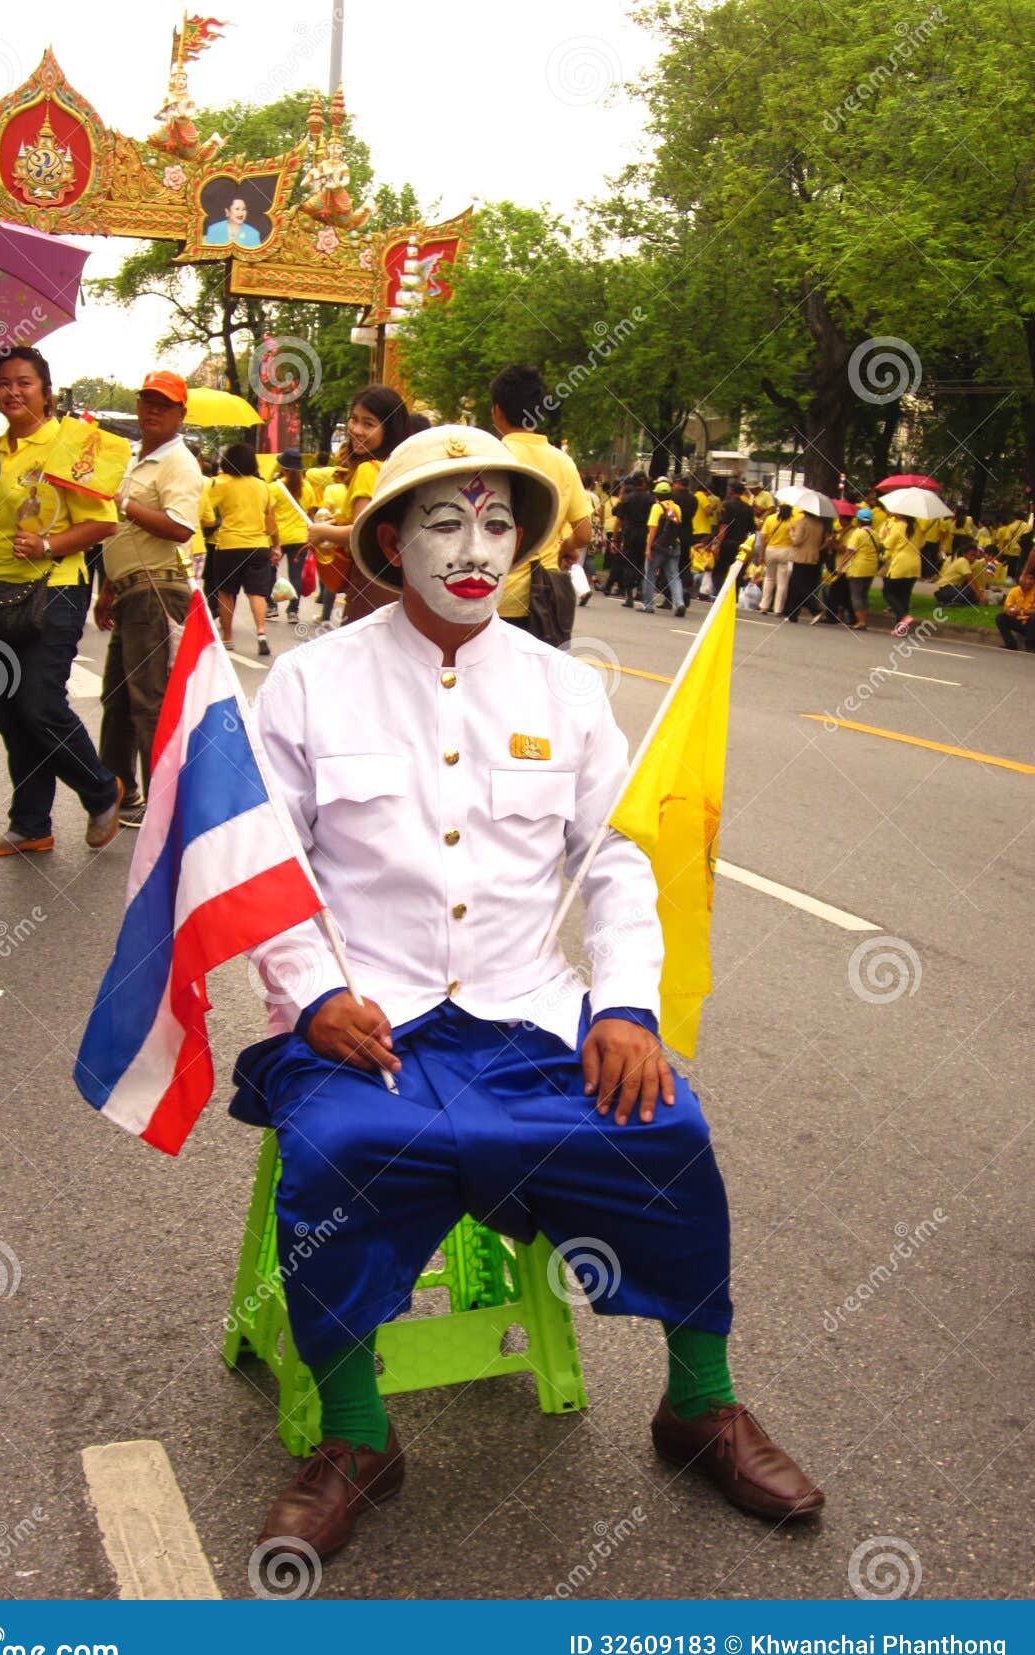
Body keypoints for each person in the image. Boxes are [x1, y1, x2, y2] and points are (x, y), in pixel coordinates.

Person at [234, 423, 824, 1568]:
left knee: (666, 1127)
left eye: (497, 524)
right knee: (344, 1151)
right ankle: (358, 1435)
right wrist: (312, 997)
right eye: (444, 523)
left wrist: (626, 1007)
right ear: (391, 543)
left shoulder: (566, 689)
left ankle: (698, 1405)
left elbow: (618, 862)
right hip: (368, 1018)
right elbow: (268, 867)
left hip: (530, 1011)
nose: (474, 548)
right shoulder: (309, 684)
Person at [0, 345, 122, 857]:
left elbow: (103, 523)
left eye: (24, 383)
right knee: (8, 713)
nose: (13, 392)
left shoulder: (70, 445)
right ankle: (31, 825)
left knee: (39, 706)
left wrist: (48, 544)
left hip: (53, 590)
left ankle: (100, 789)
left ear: (46, 392)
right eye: (4, 383)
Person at [95, 371, 203, 830]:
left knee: (148, 702)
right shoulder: (135, 458)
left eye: (164, 404)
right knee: (118, 699)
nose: (153, 409)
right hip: (130, 591)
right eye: (147, 400)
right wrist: (108, 587)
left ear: (180, 414)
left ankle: (163, 806)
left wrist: (124, 503)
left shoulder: (179, 462)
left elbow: (179, 526)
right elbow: (123, 535)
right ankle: (121, 793)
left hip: (156, 592)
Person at [488, 364, 591, 632]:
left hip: (491, 593)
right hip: (543, 599)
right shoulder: (563, 462)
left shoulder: (490, 457)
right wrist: (565, 546)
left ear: (497, 411)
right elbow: (584, 533)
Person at [307, 387, 409, 627]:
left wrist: (322, 532)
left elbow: (363, 533)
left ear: (389, 429)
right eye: (354, 419)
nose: (356, 430)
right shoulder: (400, 467)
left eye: (368, 424)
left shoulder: (367, 469)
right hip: (401, 580)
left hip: (370, 580)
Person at [201, 442, 279, 657]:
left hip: (229, 545)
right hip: (259, 545)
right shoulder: (262, 486)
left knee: (226, 592)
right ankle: (261, 632)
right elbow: (271, 519)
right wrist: (276, 545)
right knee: (257, 593)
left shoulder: (221, 483)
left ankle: (227, 637)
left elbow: (205, 508)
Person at [269, 448, 316, 622]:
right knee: (296, 575)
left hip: (278, 538)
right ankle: (293, 611)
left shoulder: (274, 488)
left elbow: (269, 515)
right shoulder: (307, 487)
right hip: (300, 538)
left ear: (283, 468)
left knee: (270, 571)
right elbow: (310, 512)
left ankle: (271, 607)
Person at [643, 478, 686, 615]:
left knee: (650, 575)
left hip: (657, 547)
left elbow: (653, 529)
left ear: (657, 495)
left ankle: (648, 605)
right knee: (674, 576)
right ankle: (679, 603)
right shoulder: (676, 508)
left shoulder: (657, 508)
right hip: (674, 546)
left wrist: (648, 548)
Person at [611, 473, 653, 607]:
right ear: (644, 483)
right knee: (641, 563)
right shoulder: (650, 499)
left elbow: (618, 519)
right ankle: (640, 589)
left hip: (629, 534)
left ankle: (629, 594)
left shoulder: (627, 499)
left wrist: (614, 539)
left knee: (629, 563)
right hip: (644, 533)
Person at [782, 506, 827, 623]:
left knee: (798, 584)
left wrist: (791, 531)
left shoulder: (802, 523)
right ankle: (792, 613)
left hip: (801, 556)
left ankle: (815, 609)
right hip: (813, 556)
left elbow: (796, 541)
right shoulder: (820, 524)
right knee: (798, 585)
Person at [711, 479, 756, 596]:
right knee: (736, 572)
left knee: (720, 570)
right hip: (741, 544)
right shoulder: (748, 508)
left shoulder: (726, 505)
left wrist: (717, 545)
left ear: (731, 491)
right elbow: (752, 531)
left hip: (726, 543)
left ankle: (719, 595)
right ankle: (733, 596)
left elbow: (724, 527)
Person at [881, 513, 921, 635]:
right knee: (904, 595)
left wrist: (887, 534)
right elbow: (922, 543)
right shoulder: (917, 526)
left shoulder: (898, 526)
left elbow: (887, 544)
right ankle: (901, 628)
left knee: (888, 592)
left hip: (901, 563)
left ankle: (904, 616)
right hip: (915, 563)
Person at [758, 501, 793, 615]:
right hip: (785, 551)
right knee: (782, 582)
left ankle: (764, 606)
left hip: (770, 550)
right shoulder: (793, 521)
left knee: (769, 578)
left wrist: (761, 554)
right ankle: (778, 609)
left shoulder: (770, 519)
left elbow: (763, 538)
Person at [996, 560, 1035, 650]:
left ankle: (1030, 647)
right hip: (1018, 621)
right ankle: (1010, 644)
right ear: (1020, 579)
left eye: (1031, 578)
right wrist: (1016, 612)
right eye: (1025, 578)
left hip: (1031, 624)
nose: (1028, 581)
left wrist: (1020, 611)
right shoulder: (1014, 591)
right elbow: (1007, 609)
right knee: (1001, 617)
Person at [670, 473, 696, 608]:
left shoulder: (673, 498)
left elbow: (671, 515)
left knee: (671, 565)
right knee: (685, 563)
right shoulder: (694, 499)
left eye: (674, 483)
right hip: (687, 534)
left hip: (675, 534)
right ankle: (685, 588)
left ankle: (670, 597)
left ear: (678, 484)